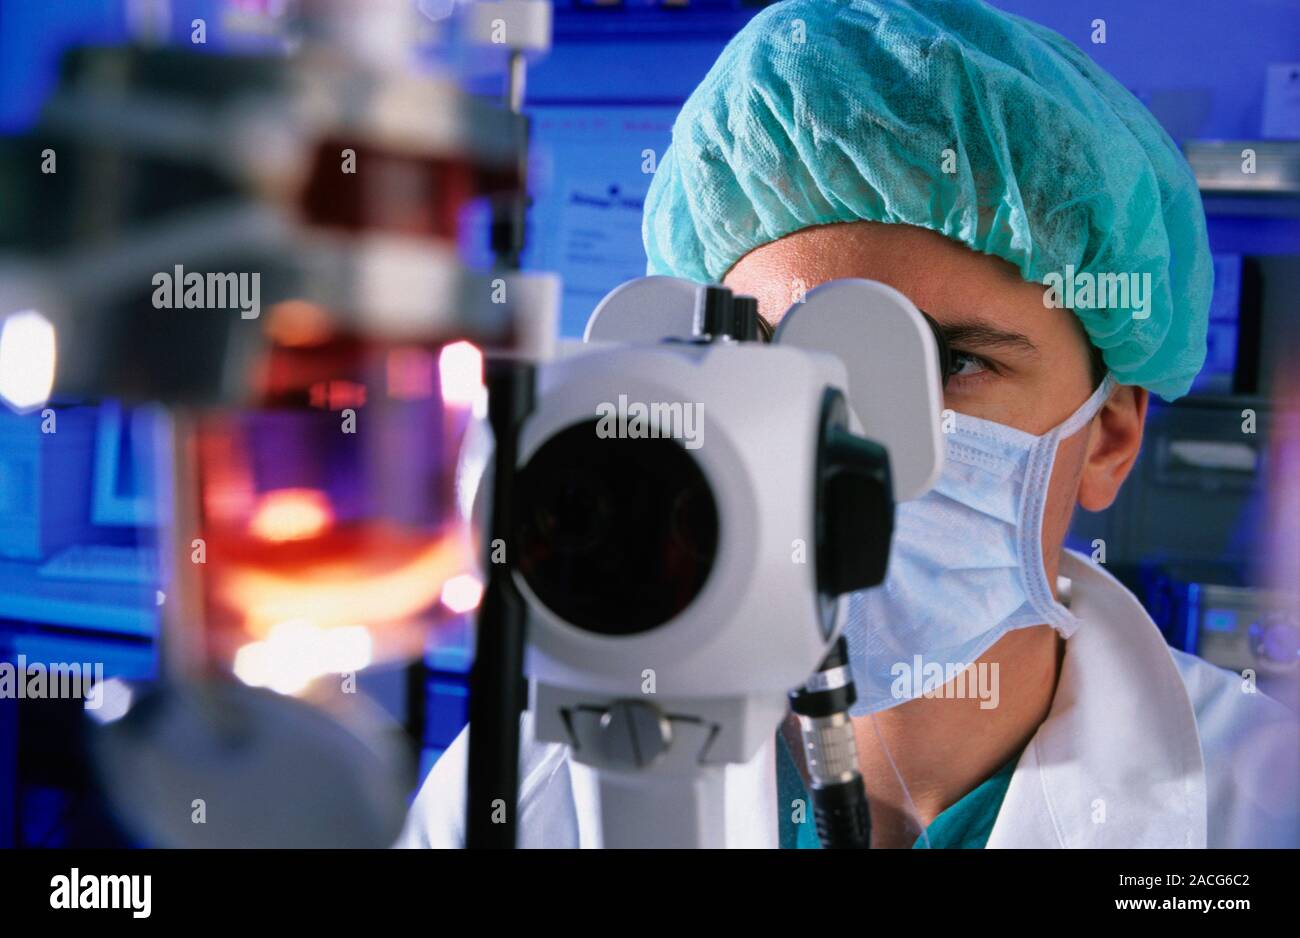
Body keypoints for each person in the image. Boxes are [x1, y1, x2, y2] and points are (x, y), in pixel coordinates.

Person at [399, 0, 1298, 848]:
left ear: (1108, 440)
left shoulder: (1263, 805)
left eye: (951, 363)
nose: (844, 434)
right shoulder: (524, 790)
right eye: (775, 353)